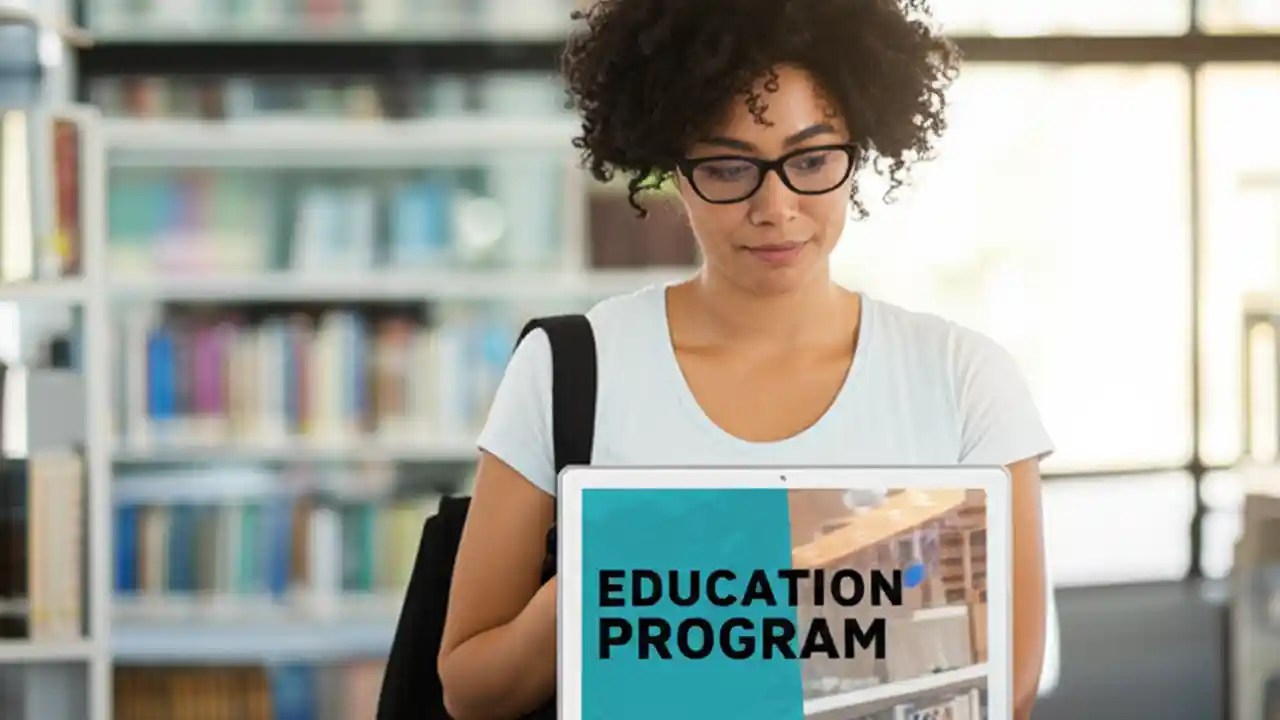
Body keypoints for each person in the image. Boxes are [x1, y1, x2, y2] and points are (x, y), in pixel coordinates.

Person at [437, 0, 1054, 718]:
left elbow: (1003, 687)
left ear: (861, 149)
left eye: (813, 159)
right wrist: (591, 583)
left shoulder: (964, 379)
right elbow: (470, 691)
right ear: (675, 164)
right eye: (730, 168)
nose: (776, 206)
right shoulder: (569, 370)